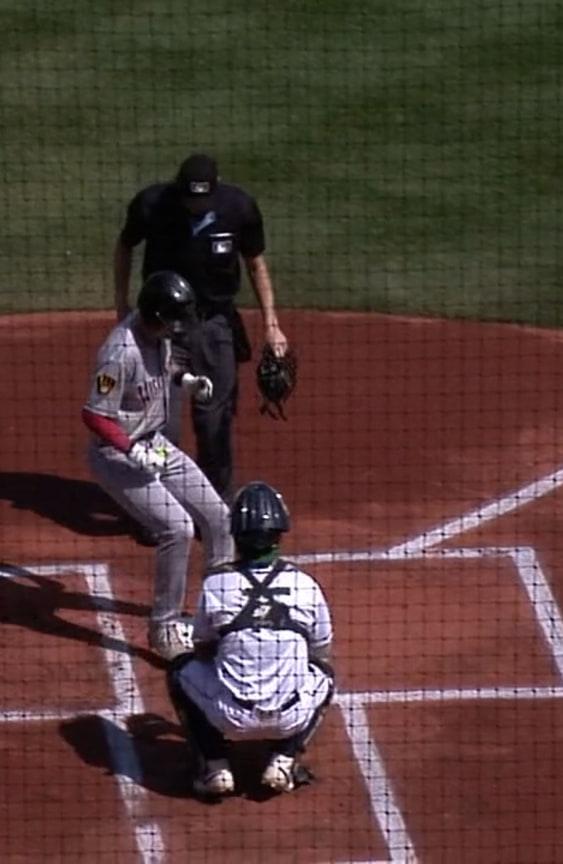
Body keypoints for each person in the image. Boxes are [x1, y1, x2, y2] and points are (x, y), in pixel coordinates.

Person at [113, 153, 289, 499]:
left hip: (214, 327)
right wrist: (121, 305)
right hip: (161, 330)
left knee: (214, 423)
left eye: (202, 199)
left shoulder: (238, 209)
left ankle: (217, 505)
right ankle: (160, 505)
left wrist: (272, 324)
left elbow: (255, 264)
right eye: (190, 199)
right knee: (162, 424)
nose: (196, 206)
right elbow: (124, 246)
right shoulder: (152, 206)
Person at [82, 271, 236, 662]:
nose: (177, 328)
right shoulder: (120, 352)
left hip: (157, 445)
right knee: (177, 528)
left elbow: (164, 370)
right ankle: (164, 627)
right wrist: (132, 451)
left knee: (218, 515)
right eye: (172, 320)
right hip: (117, 456)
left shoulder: (159, 335)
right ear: (154, 315)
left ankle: (221, 607)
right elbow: (95, 416)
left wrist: (187, 380)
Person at [166, 481, 335, 798]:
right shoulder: (305, 584)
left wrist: (233, 645)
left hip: (229, 716)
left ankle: (215, 768)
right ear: (279, 533)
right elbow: (321, 649)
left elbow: (201, 646)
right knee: (325, 674)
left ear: (236, 536)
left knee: (178, 670)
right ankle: (284, 760)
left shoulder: (217, 584)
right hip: (292, 715)